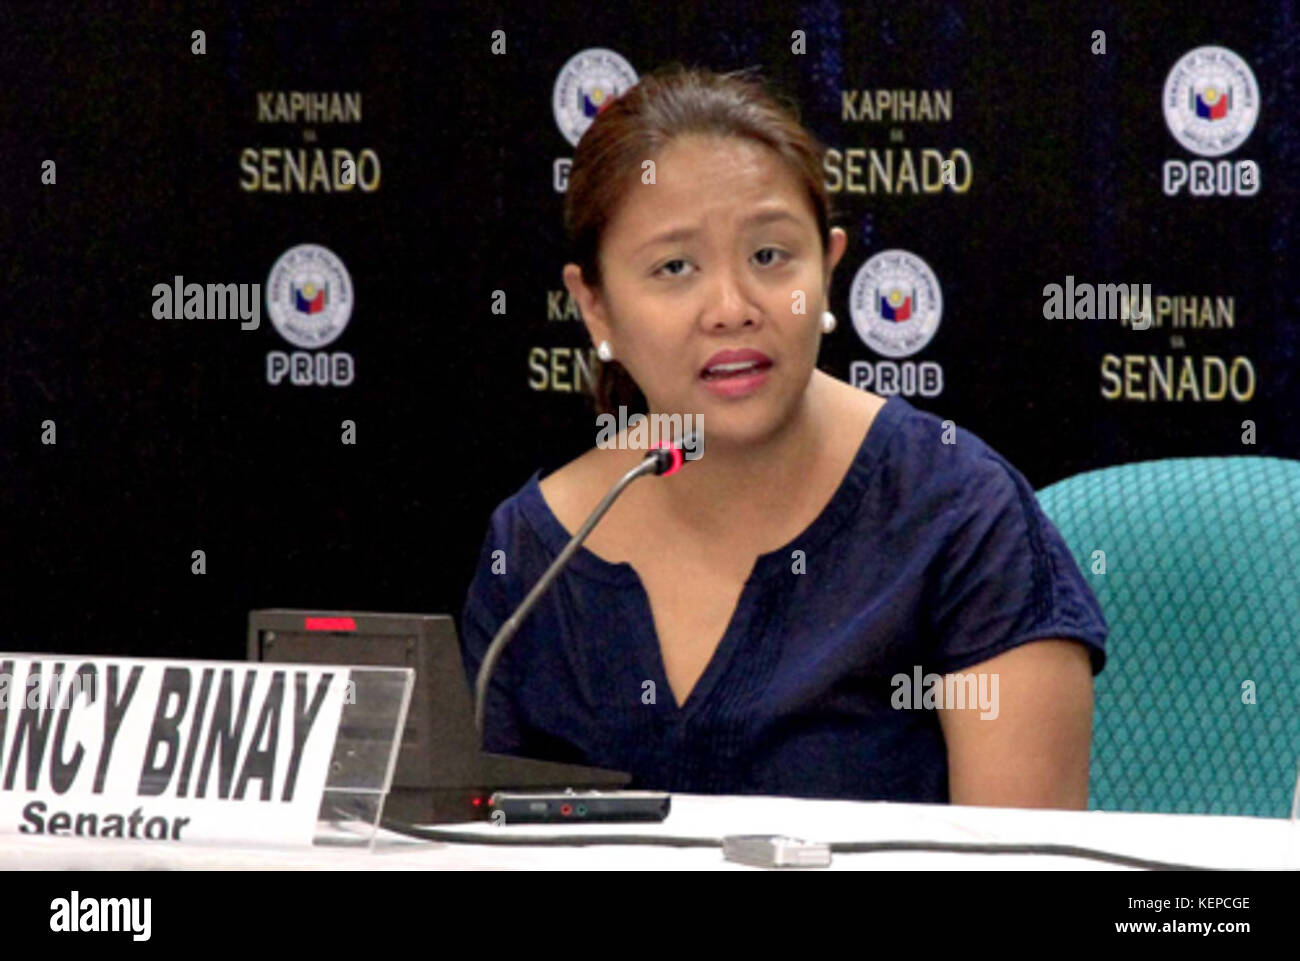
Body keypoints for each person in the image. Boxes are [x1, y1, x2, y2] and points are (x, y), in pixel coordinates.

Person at [461, 65, 1107, 808]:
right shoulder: (536, 556)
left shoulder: (957, 513)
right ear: (596, 307)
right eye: (674, 267)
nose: (732, 308)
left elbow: (1023, 862)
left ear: (828, 269)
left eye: (770, 257)